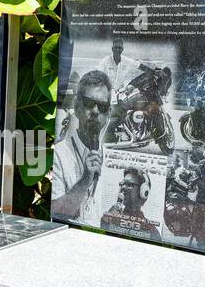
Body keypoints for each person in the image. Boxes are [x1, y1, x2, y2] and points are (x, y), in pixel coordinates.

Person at [51, 70, 110, 221]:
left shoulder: (113, 160)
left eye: (102, 106)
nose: (96, 111)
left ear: (108, 113)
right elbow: (55, 213)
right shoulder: (59, 154)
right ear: (77, 108)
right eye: (89, 104)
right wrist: (85, 180)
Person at [100, 168, 162, 238]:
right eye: (122, 184)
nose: (123, 187)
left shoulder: (151, 231)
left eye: (129, 185)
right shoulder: (110, 217)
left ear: (143, 192)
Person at [101, 36, 141, 106]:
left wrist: (154, 71)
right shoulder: (105, 61)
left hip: (122, 94)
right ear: (112, 49)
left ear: (122, 49)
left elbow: (139, 65)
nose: (117, 50)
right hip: (107, 93)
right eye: (115, 48)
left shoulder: (127, 60)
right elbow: (98, 75)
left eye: (119, 48)